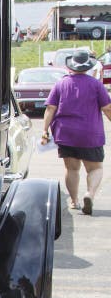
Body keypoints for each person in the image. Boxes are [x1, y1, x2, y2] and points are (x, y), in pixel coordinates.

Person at [41, 48, 111, 216]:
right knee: (95, 169)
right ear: (88, 67)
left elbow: (50, 108)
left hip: (65, 134)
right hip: (90, 134)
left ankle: (74, 201)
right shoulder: (96, 85)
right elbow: (107, 108)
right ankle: (89, 194)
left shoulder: (60, 84)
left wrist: (44, 130)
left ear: (71, 66)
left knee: (71, 169)